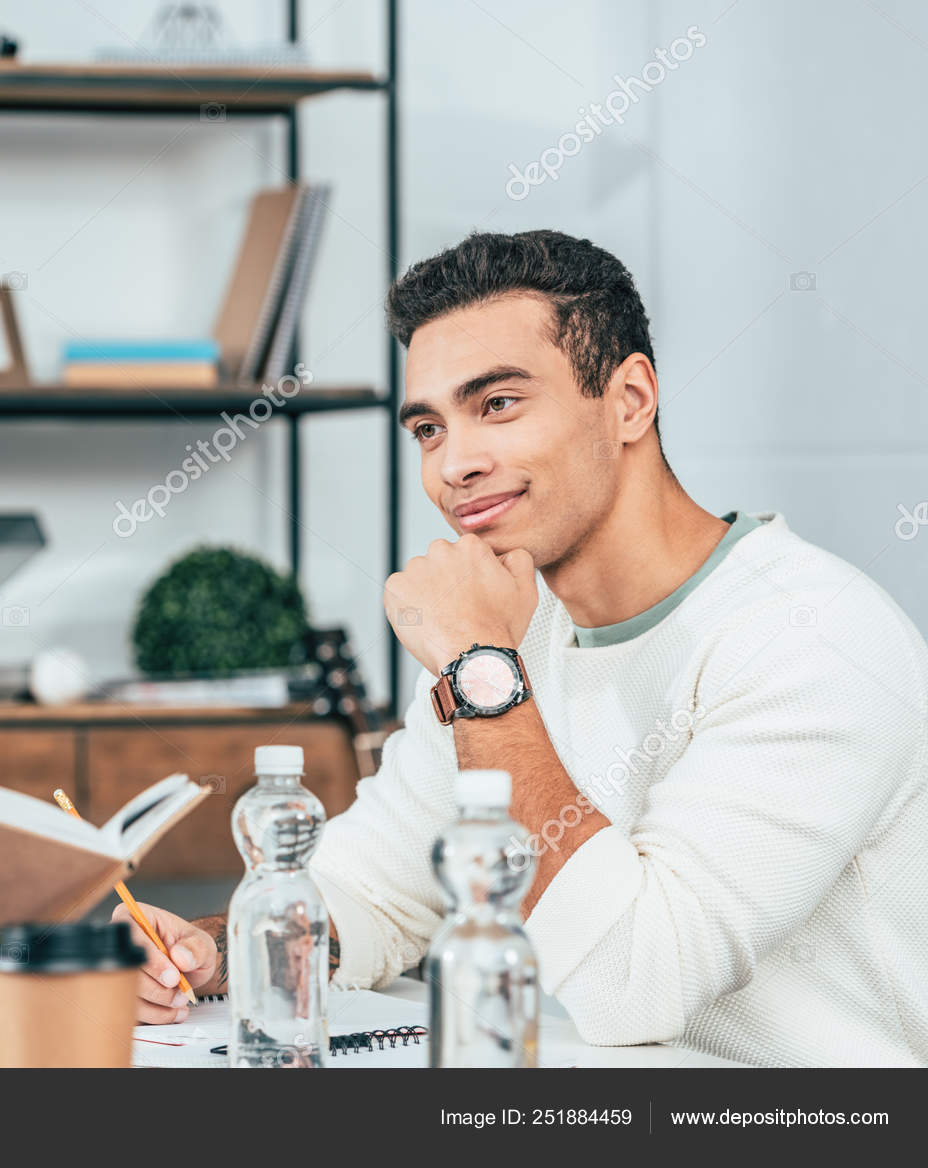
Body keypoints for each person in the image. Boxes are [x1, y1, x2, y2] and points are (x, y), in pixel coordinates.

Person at [117, 230, 928, 1067]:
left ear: (630, 400)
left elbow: (634, 982)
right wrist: (210, 952)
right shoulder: (515, 630)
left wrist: (477, 671)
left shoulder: (811, 635)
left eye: (497, 404)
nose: (454, 465)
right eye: (428, 428)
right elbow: (372, 895)